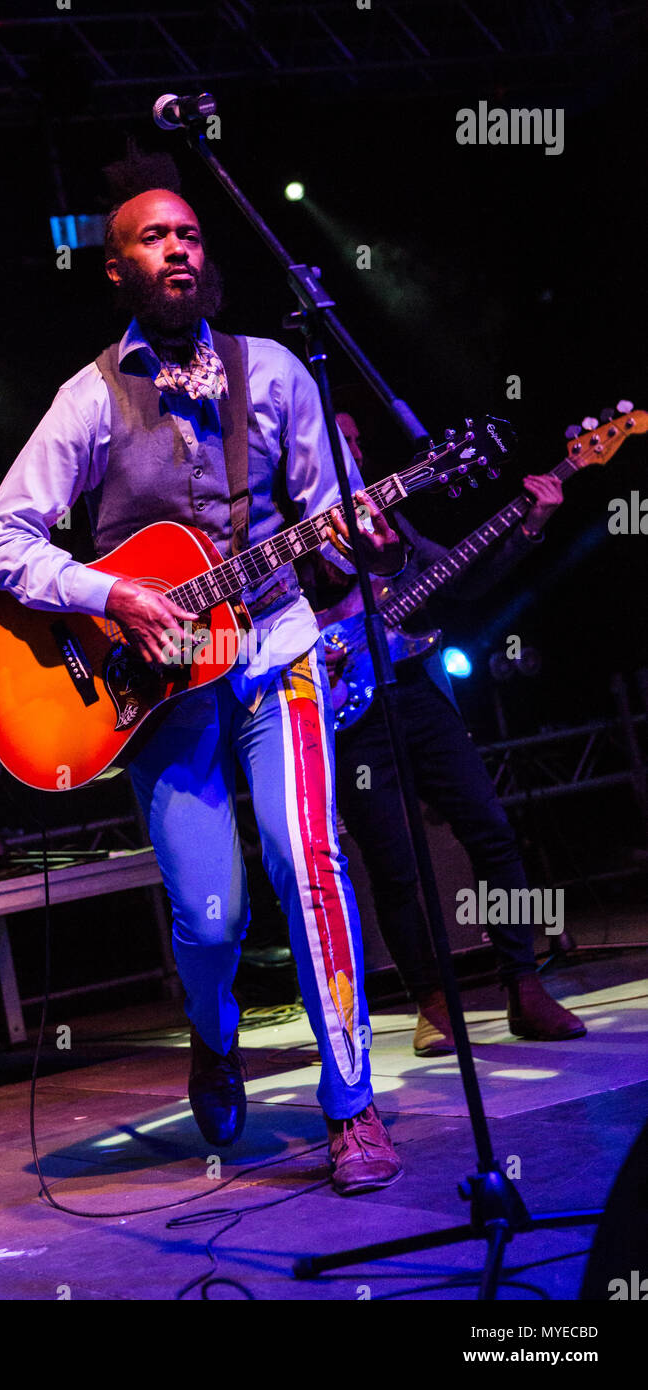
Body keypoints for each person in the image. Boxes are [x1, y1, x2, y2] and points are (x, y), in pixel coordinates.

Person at [0, 176, 411, 1194]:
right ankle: (214, 1038)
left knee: (308, 865)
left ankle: (352, 1106)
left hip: (275, 651)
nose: (177, 248)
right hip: (157, 689)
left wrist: (356, 543)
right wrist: (108, 590)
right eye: (152, 237)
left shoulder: (279, 373)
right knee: (209, 916)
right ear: (118, 268)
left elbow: (326, 538)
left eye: (191, 234)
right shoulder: (85, 399)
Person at [312, 409, 586, 1055]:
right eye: (339, 440)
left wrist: (532, 523)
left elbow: (462, 580)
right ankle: (432, 1003)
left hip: (417, 694)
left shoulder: (391, 521)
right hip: (346, 710)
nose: (353, 449)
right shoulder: (286, 530)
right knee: (394, 865)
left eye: (356, 440)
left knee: (490, 828)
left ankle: (524, 985)